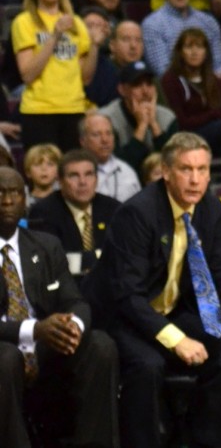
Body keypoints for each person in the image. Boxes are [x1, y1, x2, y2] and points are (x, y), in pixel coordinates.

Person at [84, 131, 221, 448]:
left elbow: (218, 265)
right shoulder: (138, 213)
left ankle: (201, 441)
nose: (196, 179)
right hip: (120, 316)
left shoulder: (212, 209)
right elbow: (127, 295)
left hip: (169, 311)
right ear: (167, 172)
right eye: (187, 169)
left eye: (203, 170)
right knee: (149, 365)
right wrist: (177, 339)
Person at [0, 165, 119, 448]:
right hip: (6, 346)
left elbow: (74, 300)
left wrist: (72, 328)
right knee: (5, 358)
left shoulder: (46, 245)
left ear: (25, 199)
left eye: (15, 193)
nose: (6, 201)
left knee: (100, 345)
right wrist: (35, 329)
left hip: (45, 346)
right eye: (0, 193)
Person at [13, 0, 97, 151]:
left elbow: (86, 78)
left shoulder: (77, 23)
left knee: (74, 174)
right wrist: (55, 36)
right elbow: (28, 74)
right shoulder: (24, 22)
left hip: (74, 109)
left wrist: (94, 46)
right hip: (39, 111)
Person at [28, 146, 121, 276]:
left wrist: (80, 260)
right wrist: (102, 258)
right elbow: (50, 263)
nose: (83, 182)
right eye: (74, 176)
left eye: (88, 174)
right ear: (60, 181)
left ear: (96, 179)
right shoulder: (43, 212)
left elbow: (124, 256)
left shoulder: (113, 208)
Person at [161, 28, 221, 157]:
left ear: (206, 52)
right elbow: (181, 122)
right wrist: (218, 114)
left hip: (214, 135)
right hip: (188, 135)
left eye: (199, 47)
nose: (194, 52)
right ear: (180, 52)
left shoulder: (214, 80)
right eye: (189, 47)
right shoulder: (171, 80)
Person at [142, 0, 221, 77]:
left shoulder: (208, 22)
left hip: (210, 85)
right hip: (174, 88)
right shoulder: (152, 24)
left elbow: (220, 64)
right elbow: (163, 70)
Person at [99, 60, 178, 173]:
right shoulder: (106, 119)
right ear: (122, 90)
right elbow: (119, 168)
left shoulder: (167, 117)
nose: (145, 91)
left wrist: (154, 124)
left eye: (149, 84)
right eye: (137, 85)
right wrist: (142, 126)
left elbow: (174, 163)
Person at [79, 110, 143, 203]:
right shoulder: (71, 172)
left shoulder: (127, 172)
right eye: (96, 135)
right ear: (83, 141)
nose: (105, 140)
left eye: (108, 133)